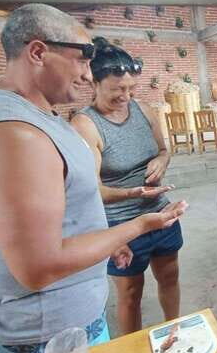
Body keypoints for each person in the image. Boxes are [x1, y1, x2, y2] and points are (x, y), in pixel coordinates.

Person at [0, 4, 186, 353]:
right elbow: (38, 265)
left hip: (64, 325)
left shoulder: (36, 117)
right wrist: (140, 224)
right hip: (44, 340)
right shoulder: (15, 137)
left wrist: (104, 242)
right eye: (81, 59)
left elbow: (59, 219)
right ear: (37, 52)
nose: (85, 74)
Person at [71, 38, 182, 336]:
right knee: (131, 292)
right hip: (121, 224)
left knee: (170, 276)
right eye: (117, 90)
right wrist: (133, 193)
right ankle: (132, 352)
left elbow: (163, 149)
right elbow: (90, 191)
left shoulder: (144, 110)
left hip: (161, 212)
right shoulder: (85, 124)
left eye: (131, 89)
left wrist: (161, 161)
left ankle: (174, 332)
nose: (126, 96)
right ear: (94, 83)